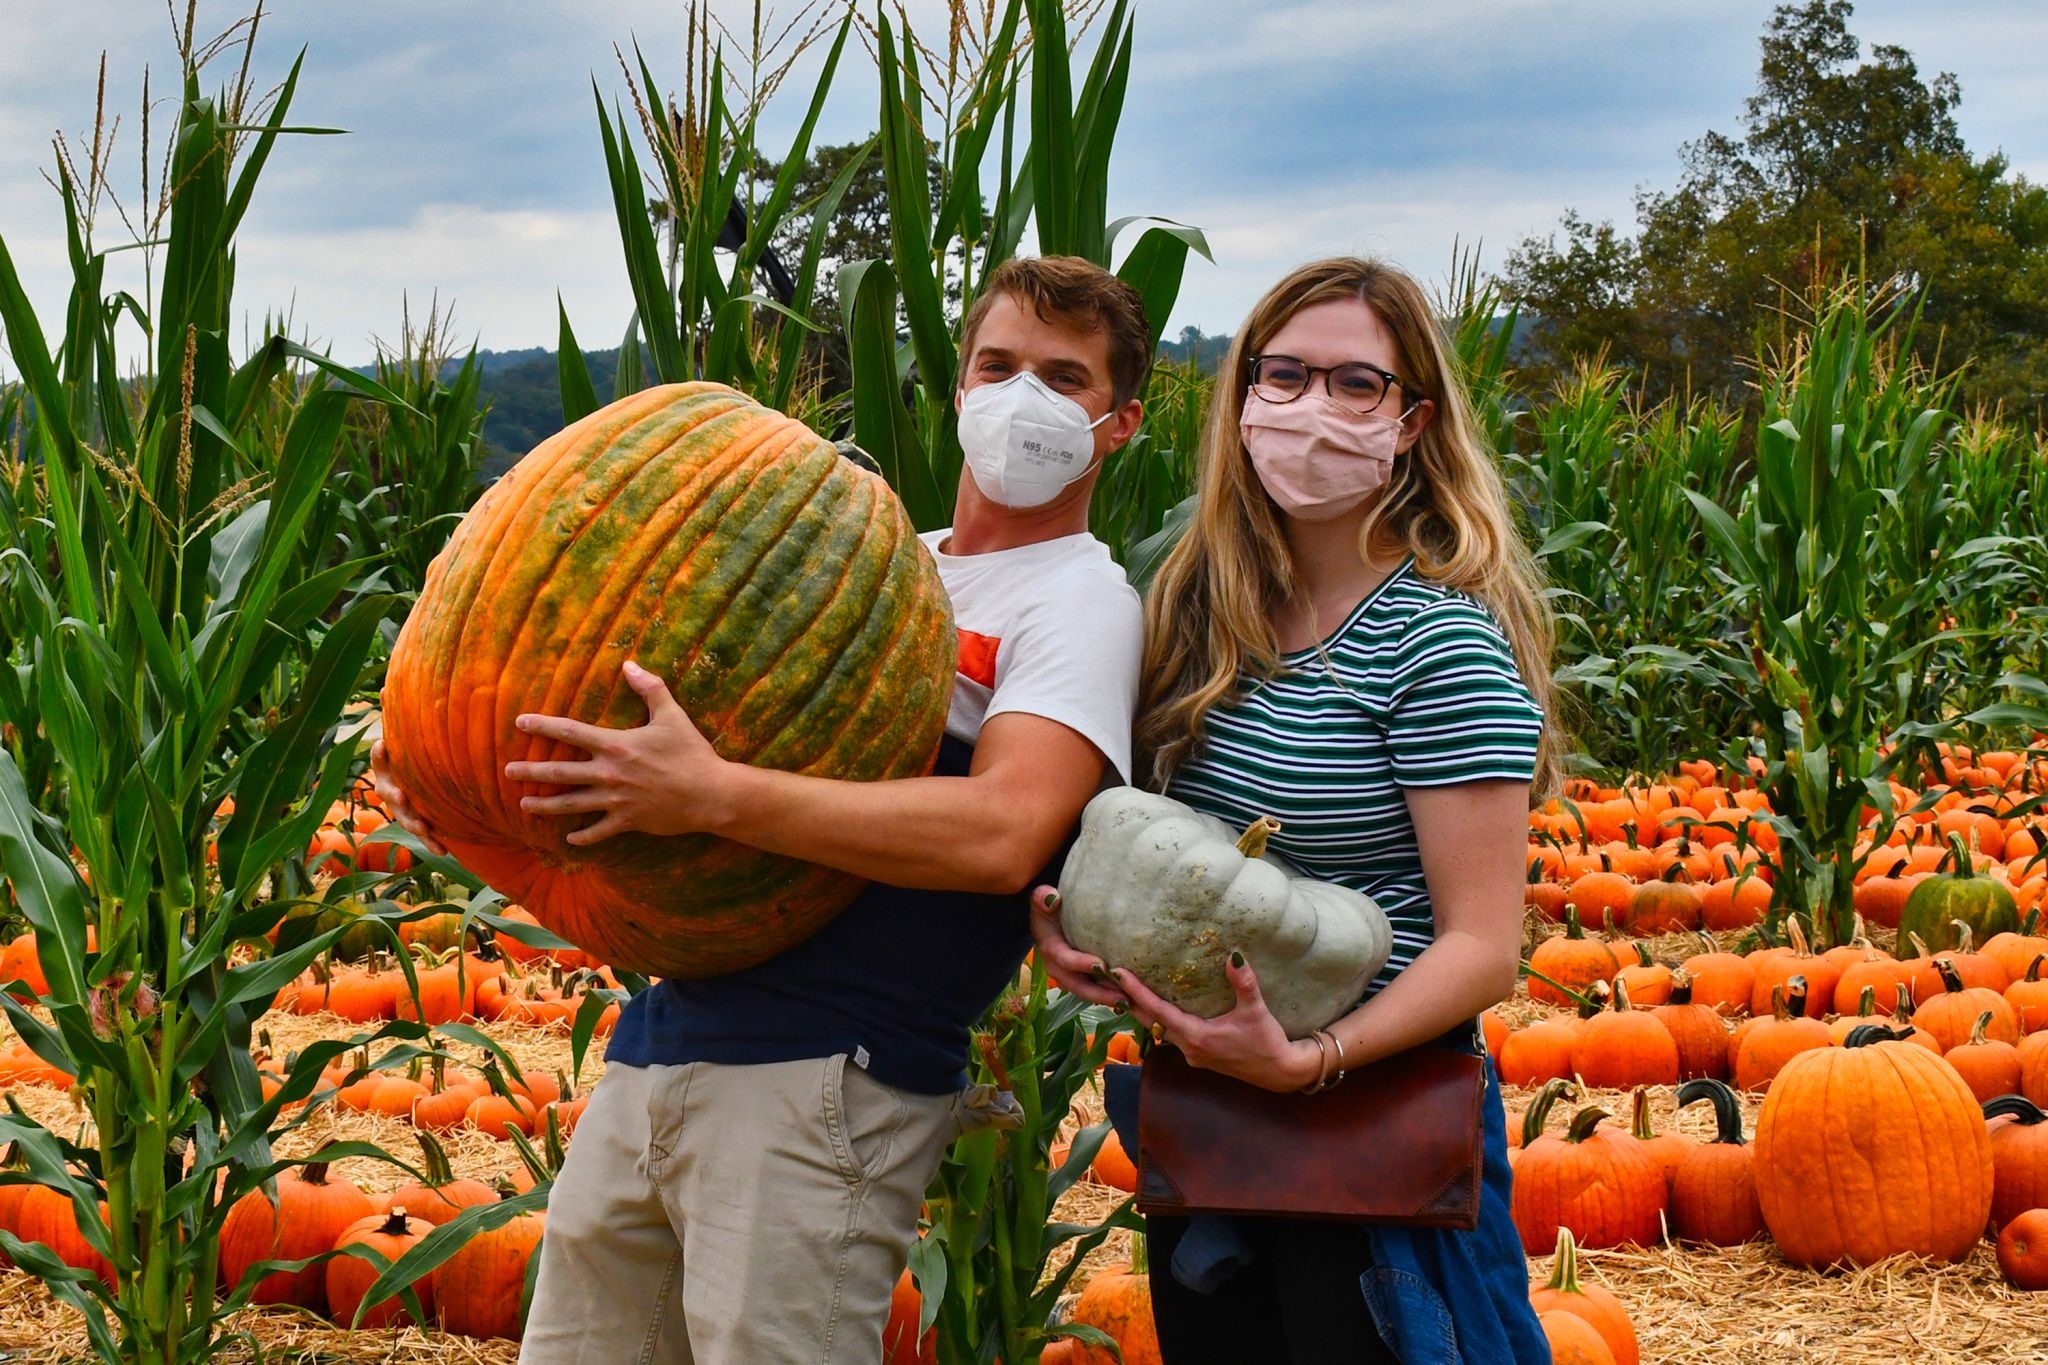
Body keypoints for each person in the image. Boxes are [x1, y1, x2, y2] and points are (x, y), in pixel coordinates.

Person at [370, 255, 1152, 1365]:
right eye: (998, 364)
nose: (1023, 395)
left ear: (1115, 425)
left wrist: (713, 792)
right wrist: (468, 796)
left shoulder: (1080, 601)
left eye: (1062, 378)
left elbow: (1004, 835)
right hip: (666, 1044)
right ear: (960, 390)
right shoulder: (867, 557)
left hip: (833, 1074)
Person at [1031, 256, 1557, 1364]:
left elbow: (1481, 948)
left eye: (1354, 385)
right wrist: (1085, 936)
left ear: (1410, 421)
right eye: (1282, 375)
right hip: (1213, 1118)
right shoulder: (1195, 609)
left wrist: (1314, 1058)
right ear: (1242, 397)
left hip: (1371, 1121)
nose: (1311, 409)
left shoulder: (1436, 646)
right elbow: (1148, 849)